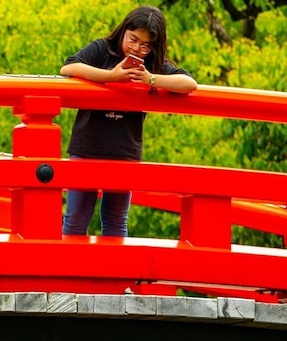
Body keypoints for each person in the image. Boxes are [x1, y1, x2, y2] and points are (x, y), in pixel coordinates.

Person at [57, 5, 197, 238]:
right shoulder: (102, 49)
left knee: (115, 221)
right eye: (132, 39)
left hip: (124, 151)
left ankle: (115, 274)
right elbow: (69, 67)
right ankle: (69, 273)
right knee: (75, 219)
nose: (137, 48)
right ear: (123, 31)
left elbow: (189, 84)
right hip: (87, 146)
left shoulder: (151, 64)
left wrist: (150, 79)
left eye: (145, 44)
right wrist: (112, 77)